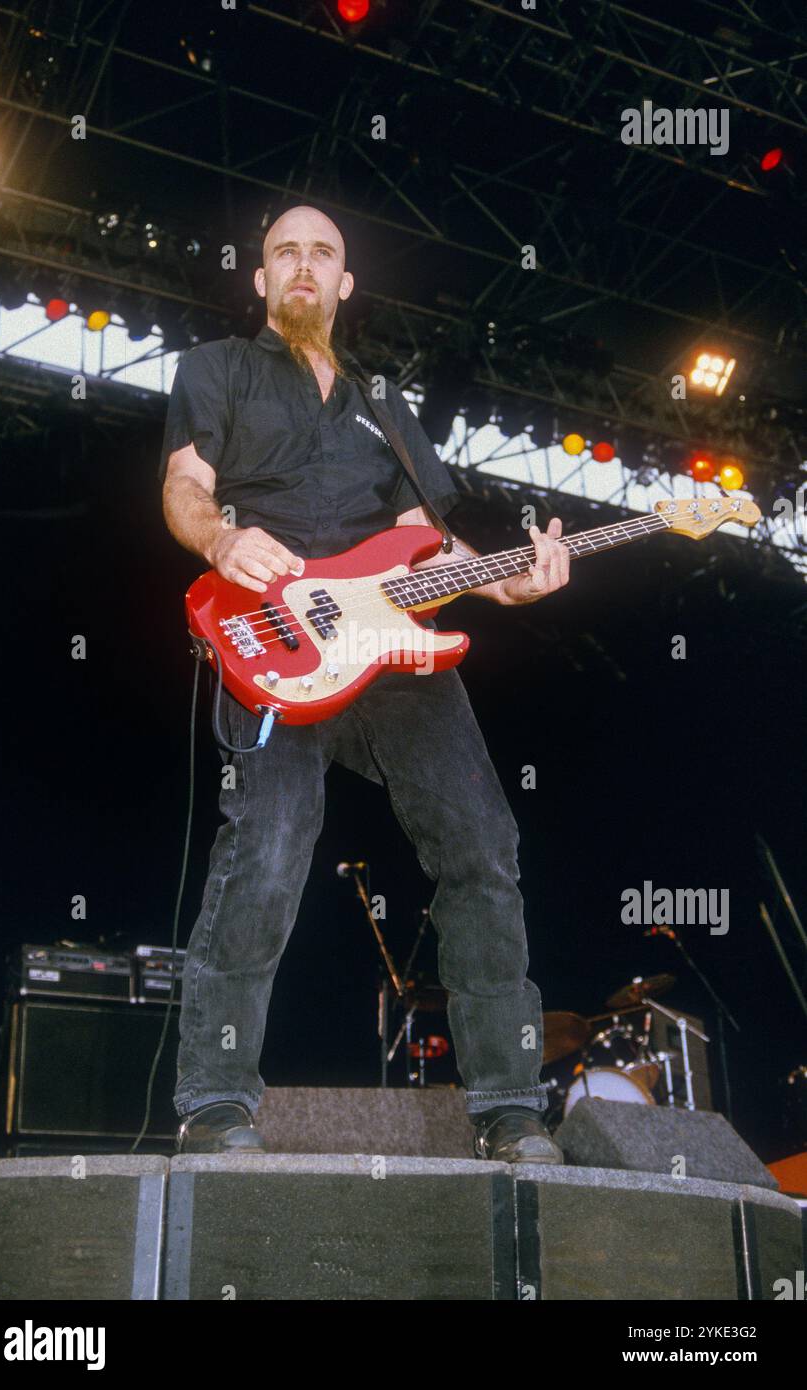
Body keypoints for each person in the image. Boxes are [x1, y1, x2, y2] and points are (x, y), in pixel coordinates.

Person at [159, 204, 570, 1163]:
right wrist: (220, 536)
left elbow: (432, 536)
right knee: (266, 851)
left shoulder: (383, 402)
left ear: (347, 284)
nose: (303, 266)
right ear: (259, 279)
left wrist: (504, 575)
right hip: (275, 636)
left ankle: (509, 1110)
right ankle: (215, 1103)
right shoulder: (216, 368)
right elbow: (183, 482)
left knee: (481, 847)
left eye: (323, 254)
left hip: (389, 643)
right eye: (283, 253)